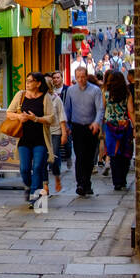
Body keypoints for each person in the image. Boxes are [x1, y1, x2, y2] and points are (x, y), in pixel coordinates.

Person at [7, 72, 54, 205]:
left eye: (31, 81)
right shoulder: (20, 95)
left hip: (40, 139)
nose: (27, 83)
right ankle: (30, 186)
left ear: (38, 83)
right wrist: (19, 117)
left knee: (38, 166)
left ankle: (35, 196)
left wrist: (36, 119)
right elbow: (9, 112)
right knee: (25, 169)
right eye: (27, 80)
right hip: (24, 139)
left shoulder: (46, 98)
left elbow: (51, 118)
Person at [62, 64, 103, 197]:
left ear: (87, 76)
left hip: (91, 127)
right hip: (77, 126)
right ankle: (81, 183)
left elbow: (100, 109)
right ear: (75, 77)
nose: (80, 79)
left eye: (83, 77)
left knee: (90, 156)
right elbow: (67, 109)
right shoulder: (71, 91)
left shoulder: (95, 90)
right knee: (79, 155)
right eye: (78, 77)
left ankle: (87, 183)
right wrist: (67, 126)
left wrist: (97, 122)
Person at [103, 69, 135, 189]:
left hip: (110, 126)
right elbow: (131, 111)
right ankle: (123, 179)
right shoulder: (127, 94)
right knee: (125, 153)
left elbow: (103, 109)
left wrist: (101, 125)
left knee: (114, 153)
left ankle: (116, 181)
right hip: (125, 126)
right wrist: (135, 126)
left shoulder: (106, 93)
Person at [44, 75, 69, 195]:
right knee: (42, 160)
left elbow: (62, 117)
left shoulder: (56, 99)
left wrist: (64, 133)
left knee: (53, 158)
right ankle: (45, 185)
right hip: (43, 132)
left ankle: (57, 177)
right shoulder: (39, 99)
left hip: (55, 132)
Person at [52, 70, 73, 169]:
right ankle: (57, 165)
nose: (56, 79)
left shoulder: (68, 90)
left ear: (62, 78)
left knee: (67, 144)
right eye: (54, 78)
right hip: (54, 122)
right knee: (55, 146)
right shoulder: (50, 91)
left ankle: (68, 156)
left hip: (66, 121)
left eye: (58, 77)